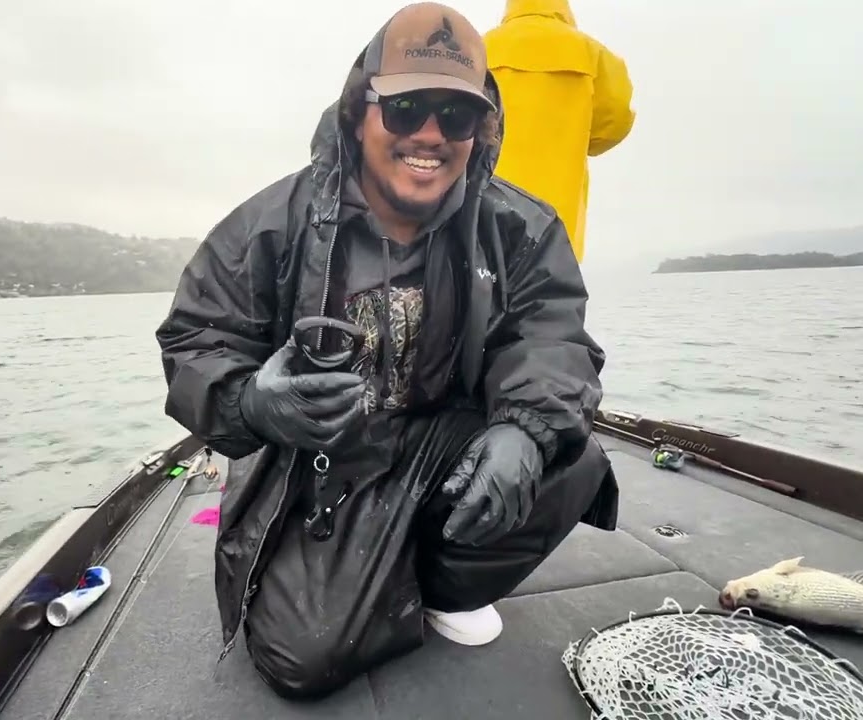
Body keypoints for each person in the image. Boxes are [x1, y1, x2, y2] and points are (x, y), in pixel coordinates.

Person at [155, 1, 619, 701]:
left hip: (443, 438)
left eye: (455, 115)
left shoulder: (521, 226)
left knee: (572, 458)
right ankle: (370, 574)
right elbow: (193, 340)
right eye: (404, 109)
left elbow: (552, 336)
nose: (429, 135)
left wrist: (522, 429)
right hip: (317, 464)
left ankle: (435, 582)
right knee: (301, 661)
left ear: (480, 128)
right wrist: (251, 401)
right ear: (358, 111)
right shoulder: (268, 225)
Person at [483, 0, 635, 262]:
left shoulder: (479, 50)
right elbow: (612, 128)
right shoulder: (593, 55)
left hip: (484, 223)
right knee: (553, 294)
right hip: (557, 237)